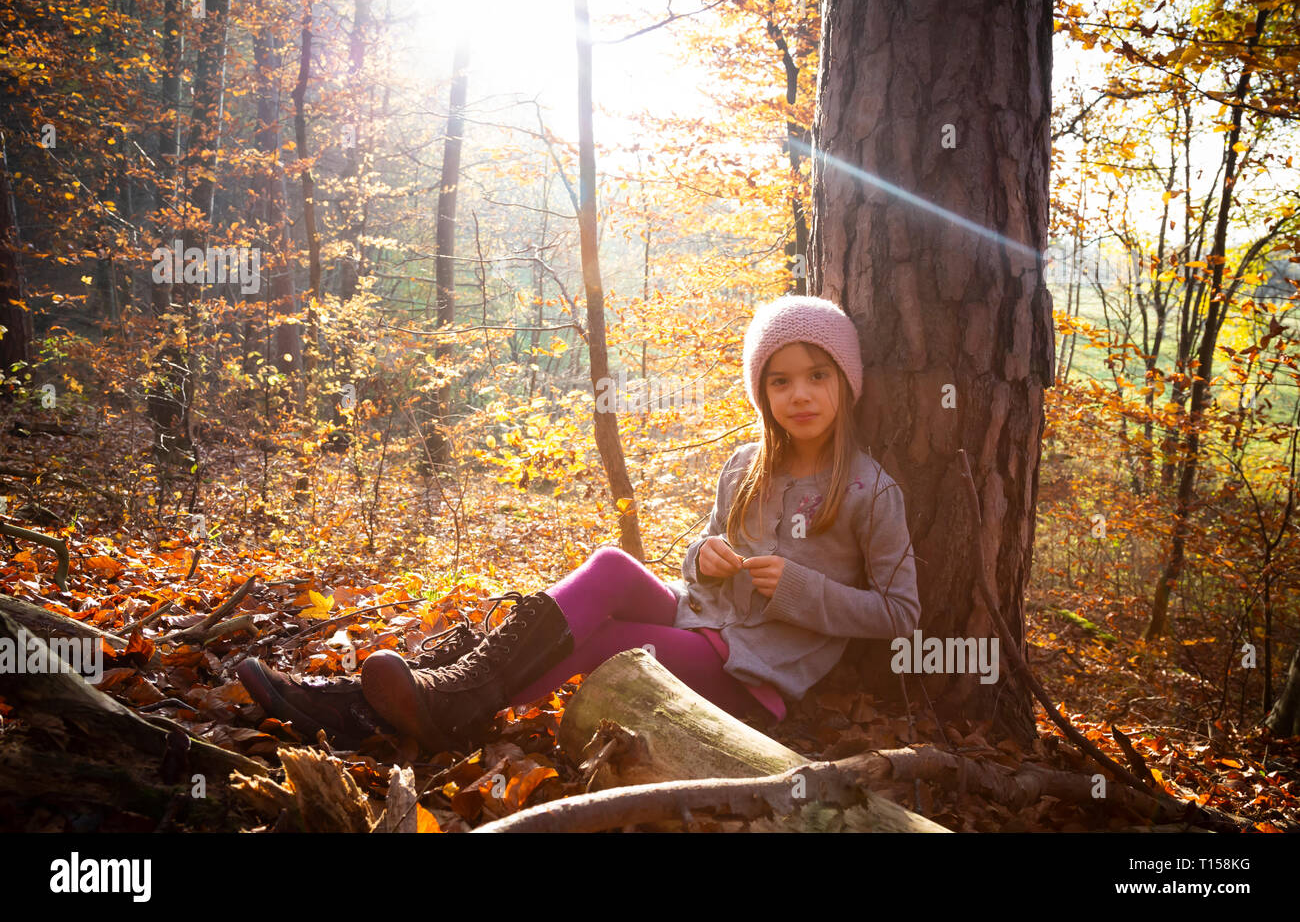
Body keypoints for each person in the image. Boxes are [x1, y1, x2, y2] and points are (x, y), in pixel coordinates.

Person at [236, 294, 921, 754]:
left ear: (846, 381)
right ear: (761, 391)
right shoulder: (745, 466)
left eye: (817, 375)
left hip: (749, 672)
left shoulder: (870, 491)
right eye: (780, 380)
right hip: (699, 619)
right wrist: (702, 557)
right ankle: (422, 696)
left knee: (605, 638)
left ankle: (378, 711)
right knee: (612, 567)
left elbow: (901, 614)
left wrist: (799, 588)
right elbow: (701, 562)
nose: (800, 394)